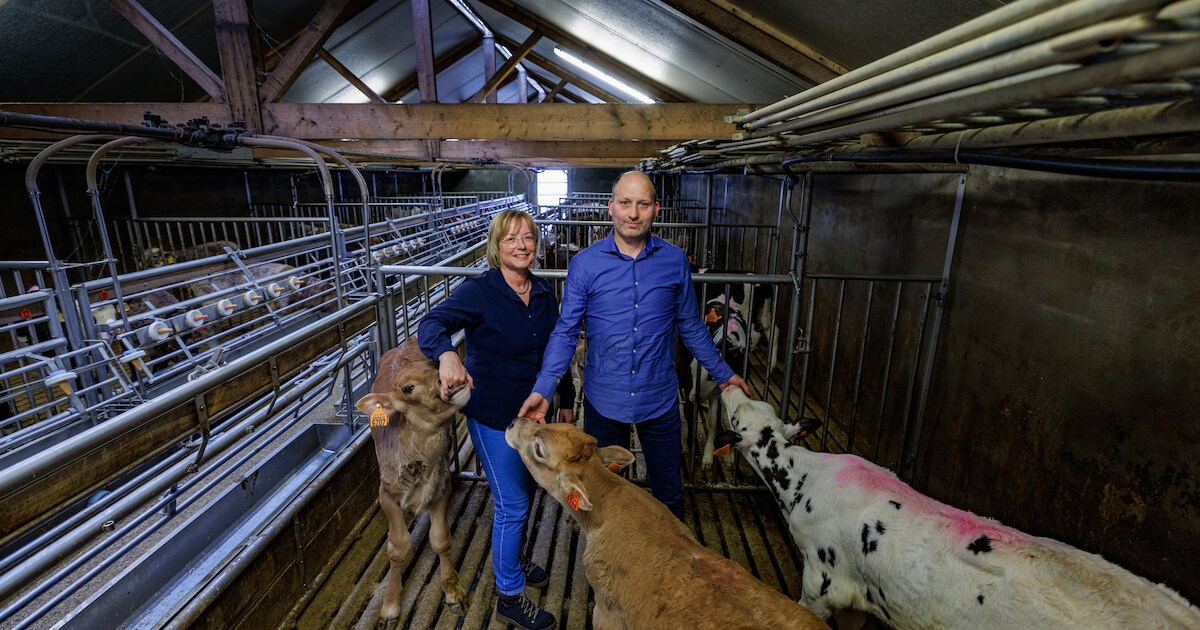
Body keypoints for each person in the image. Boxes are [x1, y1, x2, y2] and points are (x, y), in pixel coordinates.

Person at [518, 171, 749, 520]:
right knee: (605, 495)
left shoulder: (674, 261)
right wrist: (544, 388)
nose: (633, 213)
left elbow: (689, 324)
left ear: (656, 209)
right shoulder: (585, 265)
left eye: (642, 204)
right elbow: (566, 332)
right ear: (611, 207)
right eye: (625, 203)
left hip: (658, 399)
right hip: (604, 399)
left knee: (669, 495)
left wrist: (723, 373)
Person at [417, 209, 572, 630]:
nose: (522, 245)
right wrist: (448, 352)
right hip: (492, 417)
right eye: (511, 239)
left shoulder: (542, 292)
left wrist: (567, 400)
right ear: (496, 246)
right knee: (513, 503)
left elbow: (555, 353)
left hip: (534, 417)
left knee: (528, 493)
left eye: (528, 238)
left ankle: (516, 561)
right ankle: (509, 594)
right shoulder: (480, 291)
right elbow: (430, 323)